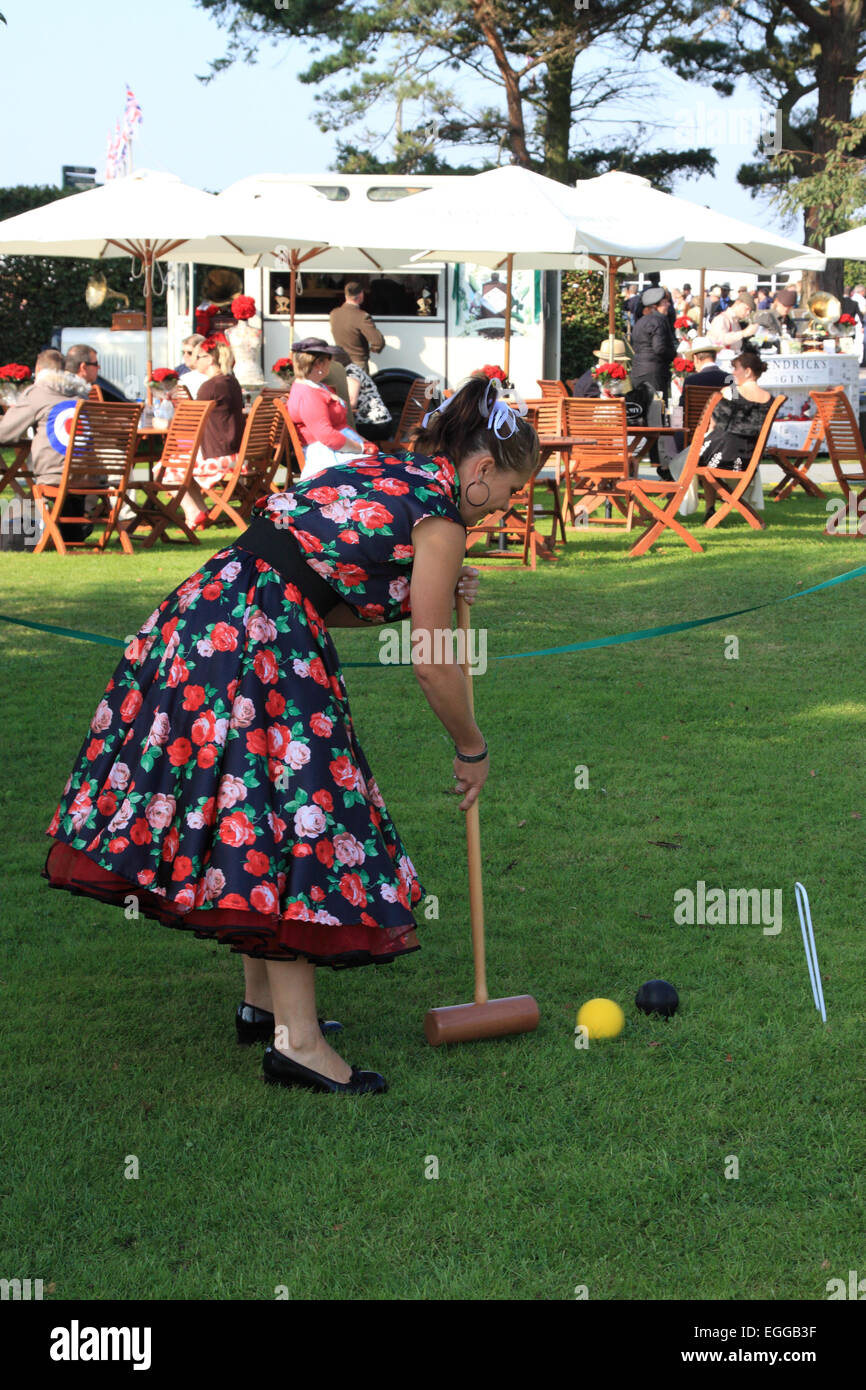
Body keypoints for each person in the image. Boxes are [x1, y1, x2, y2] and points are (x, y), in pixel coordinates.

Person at [42, 374, 538, 1095]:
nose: (508, 510)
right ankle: (297, 1044)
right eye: (513, 494)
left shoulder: (390, 466)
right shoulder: (443, 513)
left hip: (211, 614)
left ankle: (264, 1003)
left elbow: (312, 573)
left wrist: (416, 590)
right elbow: (433, 665)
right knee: (290, 816)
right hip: (255, 643)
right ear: (483, 469)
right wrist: (472, 745)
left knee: (250, 807)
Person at [668, 350, 774, 522]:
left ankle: (709, 507)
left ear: (747, 372)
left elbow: (715, 425)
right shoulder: (770, 398)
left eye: (736, 369)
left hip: (723, 454)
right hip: (748, 456)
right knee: (704, 455)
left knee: (696, 456)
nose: (733, 373)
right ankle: (729, 505)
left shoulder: (729, 391)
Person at [0, 347, 93, 541]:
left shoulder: (38, 392)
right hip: (88, 476)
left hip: (54, 476)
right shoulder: (82, 394)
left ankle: (52, 531)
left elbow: (4, 433)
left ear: (39, 369)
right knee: (71, 534)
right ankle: (70, 531)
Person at [161, 334, 245, 529]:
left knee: (168, 467)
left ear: (210, 358)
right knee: (182, 464)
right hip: (234, 451)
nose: (193, 361)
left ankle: (193, 512)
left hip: (218, 455)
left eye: (198, 356)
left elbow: (192, 423)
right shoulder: (231, 382)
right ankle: (202, 512)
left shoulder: (210, 386)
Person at [287, 337, 367, 478]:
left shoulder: (317, 387)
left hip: (340, 448)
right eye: (329, 361)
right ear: (319, 364)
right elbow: (326, 435)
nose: (330, 365)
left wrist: (364, 443)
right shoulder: (307, 393)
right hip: (327, 454)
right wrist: (361, 448)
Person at [630, 287, 677, 400]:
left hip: (638, 371)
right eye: (665, 302)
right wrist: (674, 354)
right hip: (654, 373)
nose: (668, 305)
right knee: (656, 412)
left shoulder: (640, 321)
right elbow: (659, 348)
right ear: (655, 306)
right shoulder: (658, 321)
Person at [329, 281, 385, 372]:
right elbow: (378, 342)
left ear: (346, 295)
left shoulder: (334, 314)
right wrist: (374, 349)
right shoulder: (362, 316)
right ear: (361, 295)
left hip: (339, 363)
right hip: (358, 364)